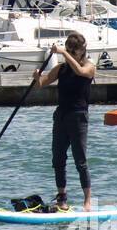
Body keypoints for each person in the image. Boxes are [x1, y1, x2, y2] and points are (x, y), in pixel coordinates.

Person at [33, 32, 95, 211]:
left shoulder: (89, 66)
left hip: (79, 117)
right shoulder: (61, 68)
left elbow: (80, 71)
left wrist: (62, 52)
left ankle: (87, 200)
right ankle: (62, 198)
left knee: (80, 160)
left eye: (73, 52)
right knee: (58, 158)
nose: (70, 55)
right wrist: (37, 76)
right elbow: (42, 83)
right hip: (61, 116)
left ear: (82, 51)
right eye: (68, 51)